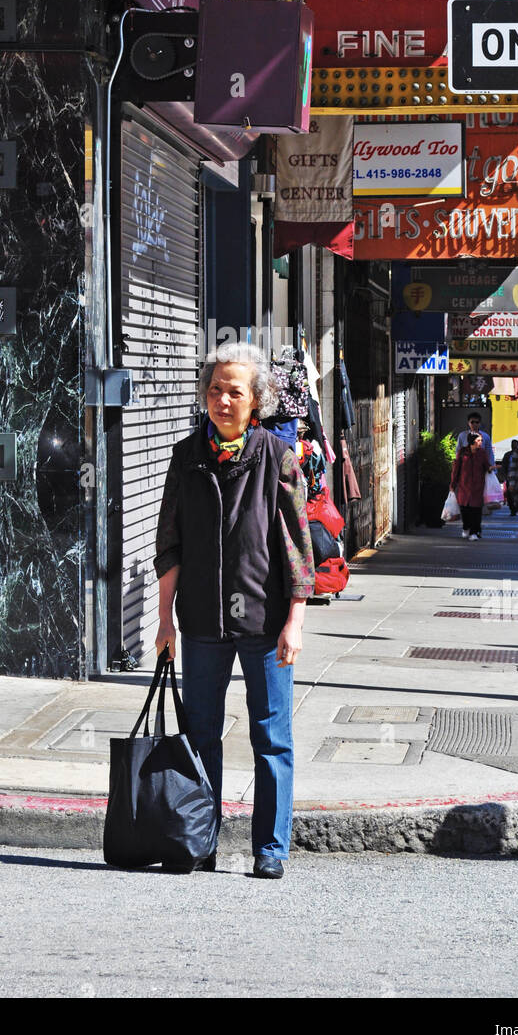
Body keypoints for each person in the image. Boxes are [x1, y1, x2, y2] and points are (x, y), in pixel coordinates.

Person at [153, 342, 315, 881]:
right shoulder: (186, 457)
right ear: (205, 396)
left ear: (256, 401)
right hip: (201, 621)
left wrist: (295, 619)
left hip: (265, 622)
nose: (224, 400)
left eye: (235, 392)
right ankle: (202, 840)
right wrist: (164, 621)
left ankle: (271, 847)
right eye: (216, 389)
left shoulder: (277, 457)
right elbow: (169, 544)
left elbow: (297, 547)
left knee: (272, 738)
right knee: (201, 735)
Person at [449, 432, 491, 540]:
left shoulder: (482, 453)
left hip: (478, 486)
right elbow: (456, 469)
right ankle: (466, 527)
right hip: (464, 486)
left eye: (481, 440)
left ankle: (474, 532)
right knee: (465, 509)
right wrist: (453, 483)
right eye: (478, 440)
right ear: (472, 441)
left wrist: (491, 468)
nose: (481, 443)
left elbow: (487, 466)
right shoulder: (462, 452)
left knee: (476, 510)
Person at [501, 438, 518, 516]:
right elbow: (504, 466)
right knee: (510, 494)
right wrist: (505, 475)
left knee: (516, 493)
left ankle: (516, 508)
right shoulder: (508, 455)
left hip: (517, 477)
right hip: (510, 477)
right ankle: (513, 509)